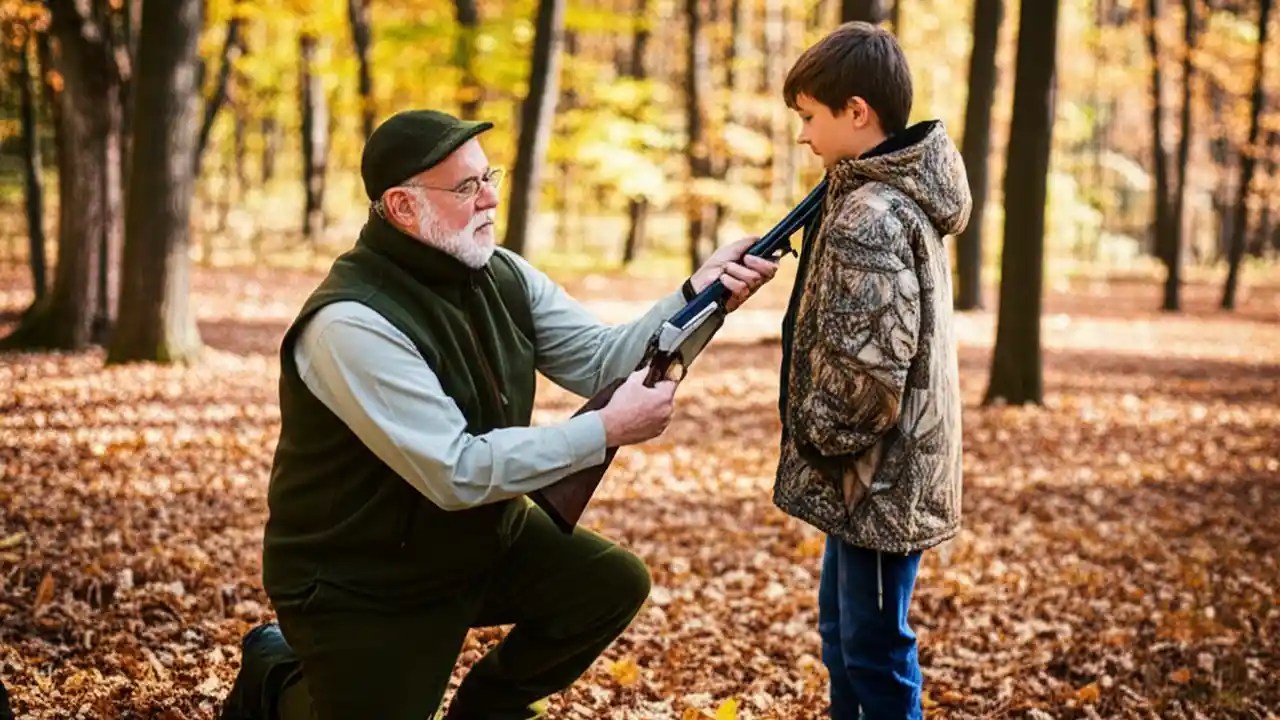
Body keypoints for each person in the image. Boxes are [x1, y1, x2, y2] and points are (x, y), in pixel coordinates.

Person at [218, 108, 778, 720]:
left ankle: (488, 712)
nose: (489, 198)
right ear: (402, 207)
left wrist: (700, 296)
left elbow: (600, 360)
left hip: (480, 537)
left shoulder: (498, 272)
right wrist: (604, 430)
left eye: (490, 177)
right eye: (466, 187)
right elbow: (455, 470)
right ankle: (273, 679)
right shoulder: (351, 323)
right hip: (364, 580)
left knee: (609, 586)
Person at [770, 22, 972, 720]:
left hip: (878, 478)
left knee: (874, 649)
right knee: (845, 638)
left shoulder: (871, 212)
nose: (803, 136)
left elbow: (871, 369)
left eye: (809, 118)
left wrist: (817, 434)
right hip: (870, 475)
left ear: (857, 112)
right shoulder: (880, 199)